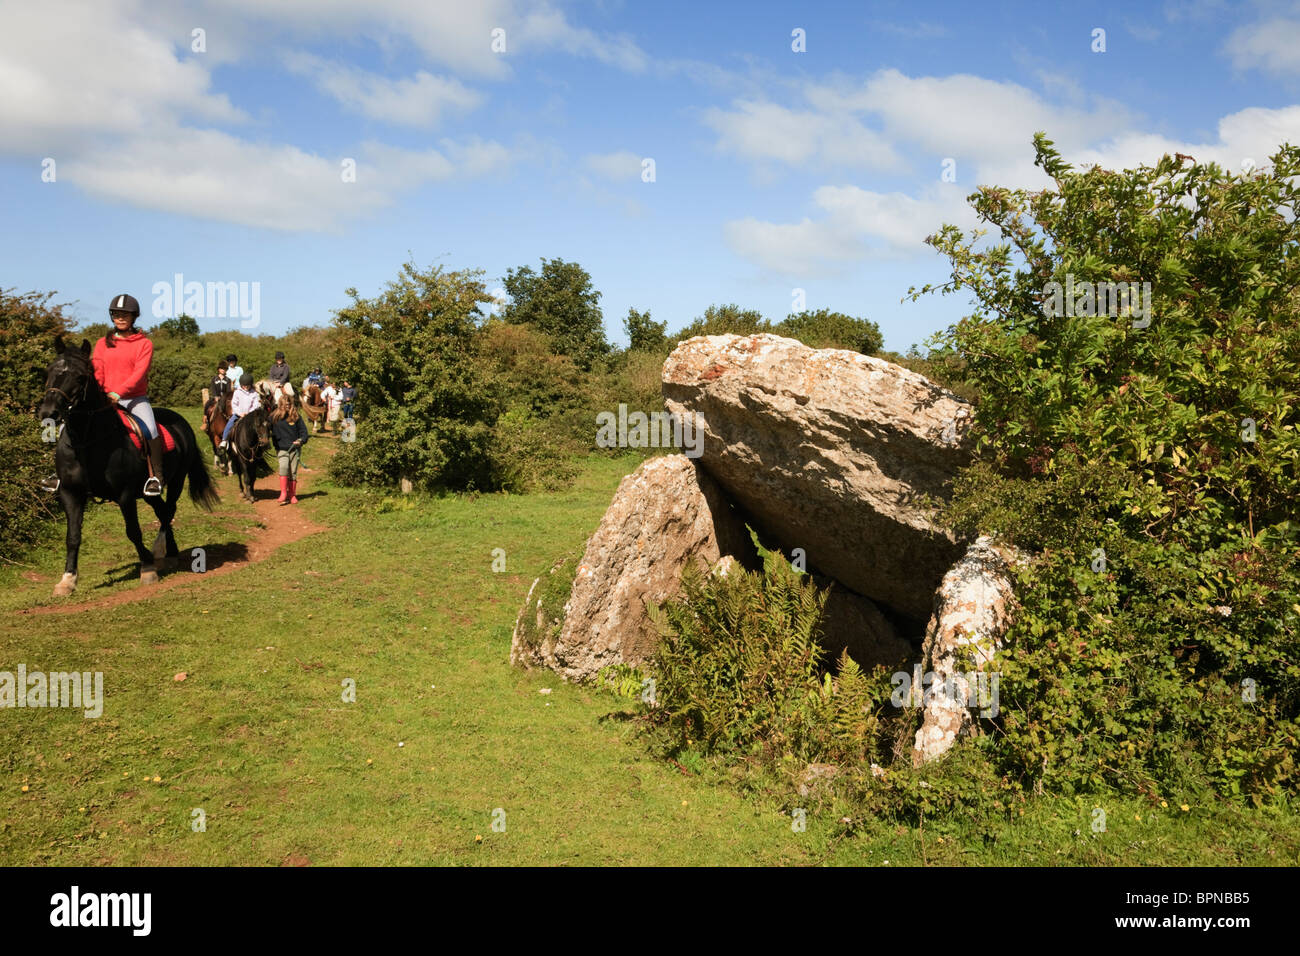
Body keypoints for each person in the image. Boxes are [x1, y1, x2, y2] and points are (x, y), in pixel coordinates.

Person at [95, 294, 165, 496]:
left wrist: (119, 393)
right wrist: (102, 391)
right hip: (105, 397)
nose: (120, 318)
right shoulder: (102, 343)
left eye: (125, 314)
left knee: (150, 429)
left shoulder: (144, 344)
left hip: (134, 398)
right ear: (112, 317)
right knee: (70, 423)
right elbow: (98, 369)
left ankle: (156, 478)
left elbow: (139, 373)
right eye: (117, 314)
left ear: (134, 317)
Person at [270, 395, 308, 505]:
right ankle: (283, 493)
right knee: (283, 467)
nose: (287, 406)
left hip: (294, 449)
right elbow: (266, 427)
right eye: (285, 404)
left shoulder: (296, 417)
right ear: (280, 404)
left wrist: (301, 440)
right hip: (281, 449)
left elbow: (304, 432)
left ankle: (292, 495)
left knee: (293, 472)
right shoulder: (274, 417)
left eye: (289, 404)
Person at [219, 373, 260, 450]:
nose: (246, 387)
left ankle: (262, 441)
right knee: (230, 423)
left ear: (251, 385)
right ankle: (224, 440)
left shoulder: (254, 393)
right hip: (238, 414)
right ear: (241, 385)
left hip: (250, 415)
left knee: (260, 425)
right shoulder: (237, 392)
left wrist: (249, 413)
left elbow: (256, 405)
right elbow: (234, 404)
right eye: (244, 386)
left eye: (248, 385)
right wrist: (240, 413)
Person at [203, 360, 231, 430]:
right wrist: (215, 396)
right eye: (222, 368)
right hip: (216, 397)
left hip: (224, 399)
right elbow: (213, 388)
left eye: (225, 369)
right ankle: (206, 422)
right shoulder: (214, 379)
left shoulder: (228, 380)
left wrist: (224, 398)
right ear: (218, 369)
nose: (223, 370)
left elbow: (228, 391)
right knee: (207, 404)